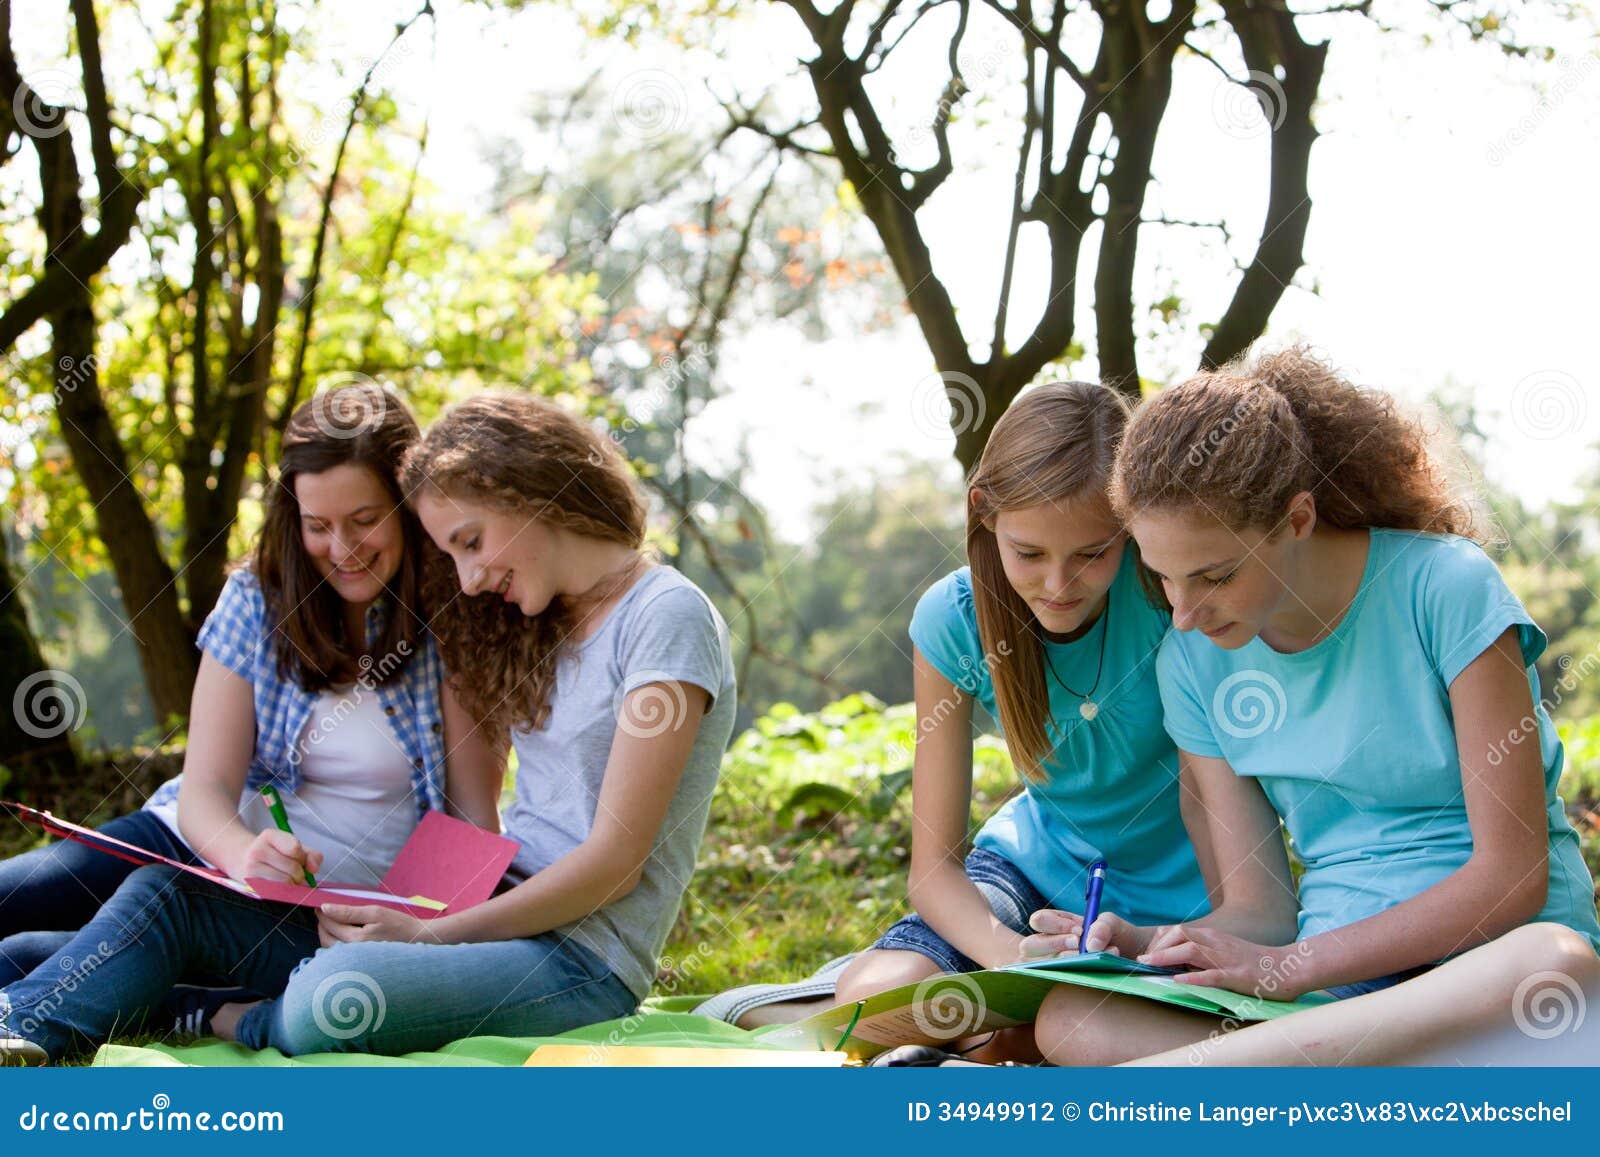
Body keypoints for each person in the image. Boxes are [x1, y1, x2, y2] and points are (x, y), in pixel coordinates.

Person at [1032, 346, 1600, 1065]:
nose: (1183, 613)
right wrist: (1145, 943)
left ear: (1297, 518)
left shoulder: (1447, 589)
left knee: (1554, 960)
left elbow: (1511, 878)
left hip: (1488, 971)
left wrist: (1292, 969)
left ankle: (1200, 1095)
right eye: (1163, 577)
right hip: (1333, 1002)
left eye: (1214, 575)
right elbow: (1262, 912)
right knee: (1073, 1021)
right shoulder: (1192, 660)